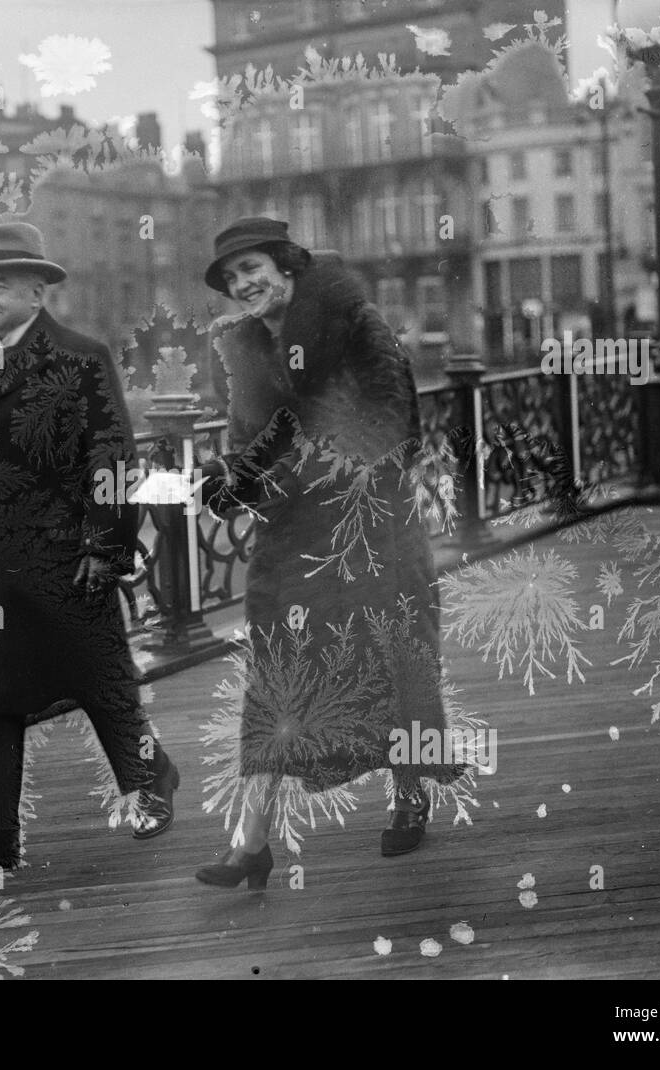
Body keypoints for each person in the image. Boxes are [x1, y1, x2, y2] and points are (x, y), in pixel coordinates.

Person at [192, 217, 462, 891]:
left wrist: (309, 473)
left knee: (396, 662)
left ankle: (410, 792)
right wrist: (230, 478)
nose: (243, 284)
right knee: (277, 678)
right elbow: (248, 437)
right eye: (231, 278)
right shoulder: (246, 351)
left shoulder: (356, 321)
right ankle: (250, 842)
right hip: (291, 539)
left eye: (252, 268)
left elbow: (392, 421)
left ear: (286, 265)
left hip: (369, 529)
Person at [0, 222, 180, 887]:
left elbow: (112, 457)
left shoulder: (81, 358)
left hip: (61, 559)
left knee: (101, 680)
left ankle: (150, 780)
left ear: (37, 291)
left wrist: (104, 545)